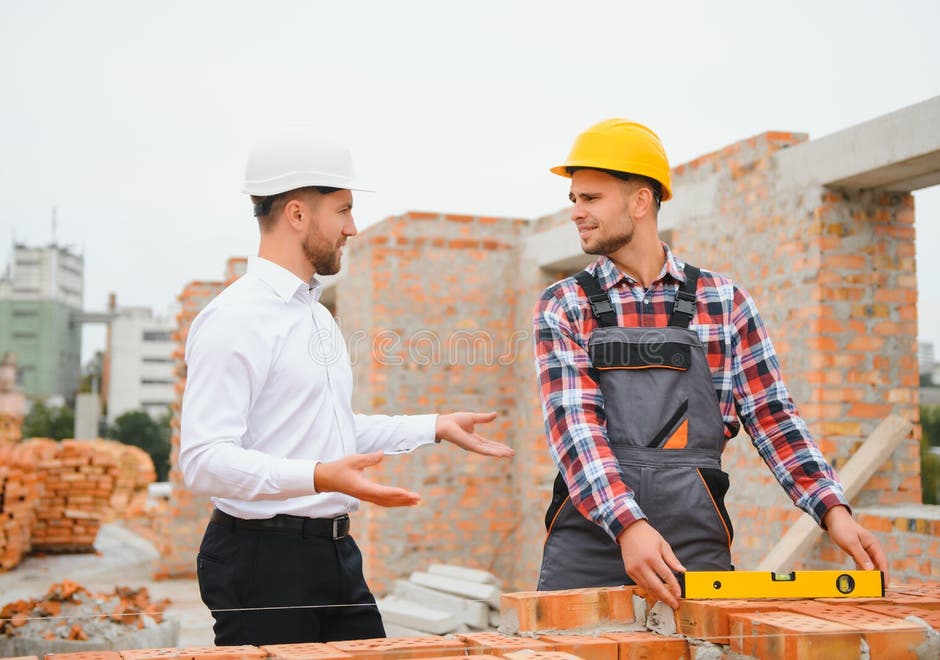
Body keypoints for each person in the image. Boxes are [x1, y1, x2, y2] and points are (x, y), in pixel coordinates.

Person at [533, 118, 888, 609]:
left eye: (589, 198)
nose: (575, 212)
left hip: (692, 544)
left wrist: (833, 510)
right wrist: (629, 524)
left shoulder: (722, 301)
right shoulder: (564, 305)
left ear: (640, 201)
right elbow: (575, 432)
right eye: (574, 199)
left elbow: (773, 418)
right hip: (590, 541)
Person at [179, 132, 514, 645]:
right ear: (297, 214)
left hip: (335, 556)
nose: (352, 228)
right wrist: (319, 476)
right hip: (261, 562)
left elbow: (329, 431)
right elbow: (203, 460)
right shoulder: (234, 319)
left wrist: (435, 426)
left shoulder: (316, 316)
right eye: (343, 210)